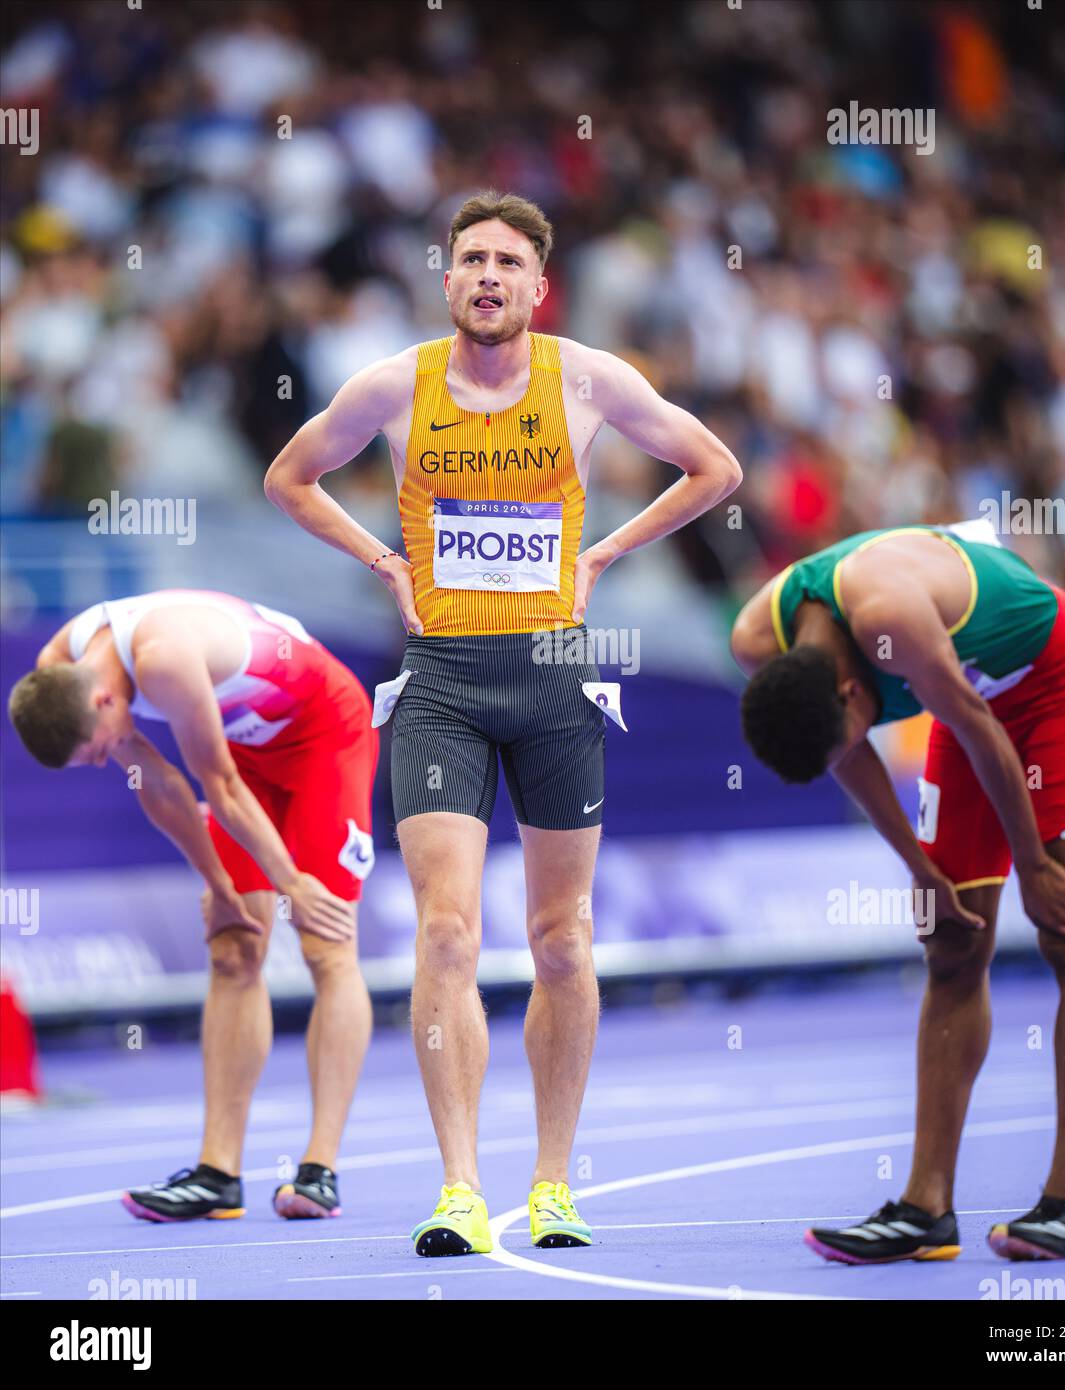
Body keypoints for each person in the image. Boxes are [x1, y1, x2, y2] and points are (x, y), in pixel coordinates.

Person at [265, 190, 742, 1255]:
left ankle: (554, 1181)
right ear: (448, 282)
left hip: (557, 678)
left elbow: (716, 468)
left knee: (562, 943)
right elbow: (288, 476)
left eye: (506, 262)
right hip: (439, 681)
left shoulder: (586, 380)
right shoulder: (396, 387)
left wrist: (608, 551)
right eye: (469, 258)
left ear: (537, 285)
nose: (486, 275)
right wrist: (383, 559)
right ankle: (461, 1187)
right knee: (445, 932)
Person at [731, 522, 1065, 1264]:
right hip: (968, 697)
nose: (850, 740)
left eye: (851, 727)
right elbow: (845, 751)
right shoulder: (760, 640)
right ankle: (925, 1206)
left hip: (1061, 680)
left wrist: (1034, 864)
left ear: (853, 691)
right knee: (950, 942)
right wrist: (920, 868)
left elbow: (976, 726)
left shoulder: (888, 618)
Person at [8, 588, 380, 1222]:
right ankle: (218, 1174)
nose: (105, 760)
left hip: (325, 735)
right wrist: (222, 889)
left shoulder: (163, 658)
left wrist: (289, 882)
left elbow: (220, 790)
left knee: (324, 941)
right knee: (233, 949)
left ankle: (319, 1169)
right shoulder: (62, 666)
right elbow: (159, 785)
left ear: (104, 700)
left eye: (99, 750)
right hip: (242, 747)